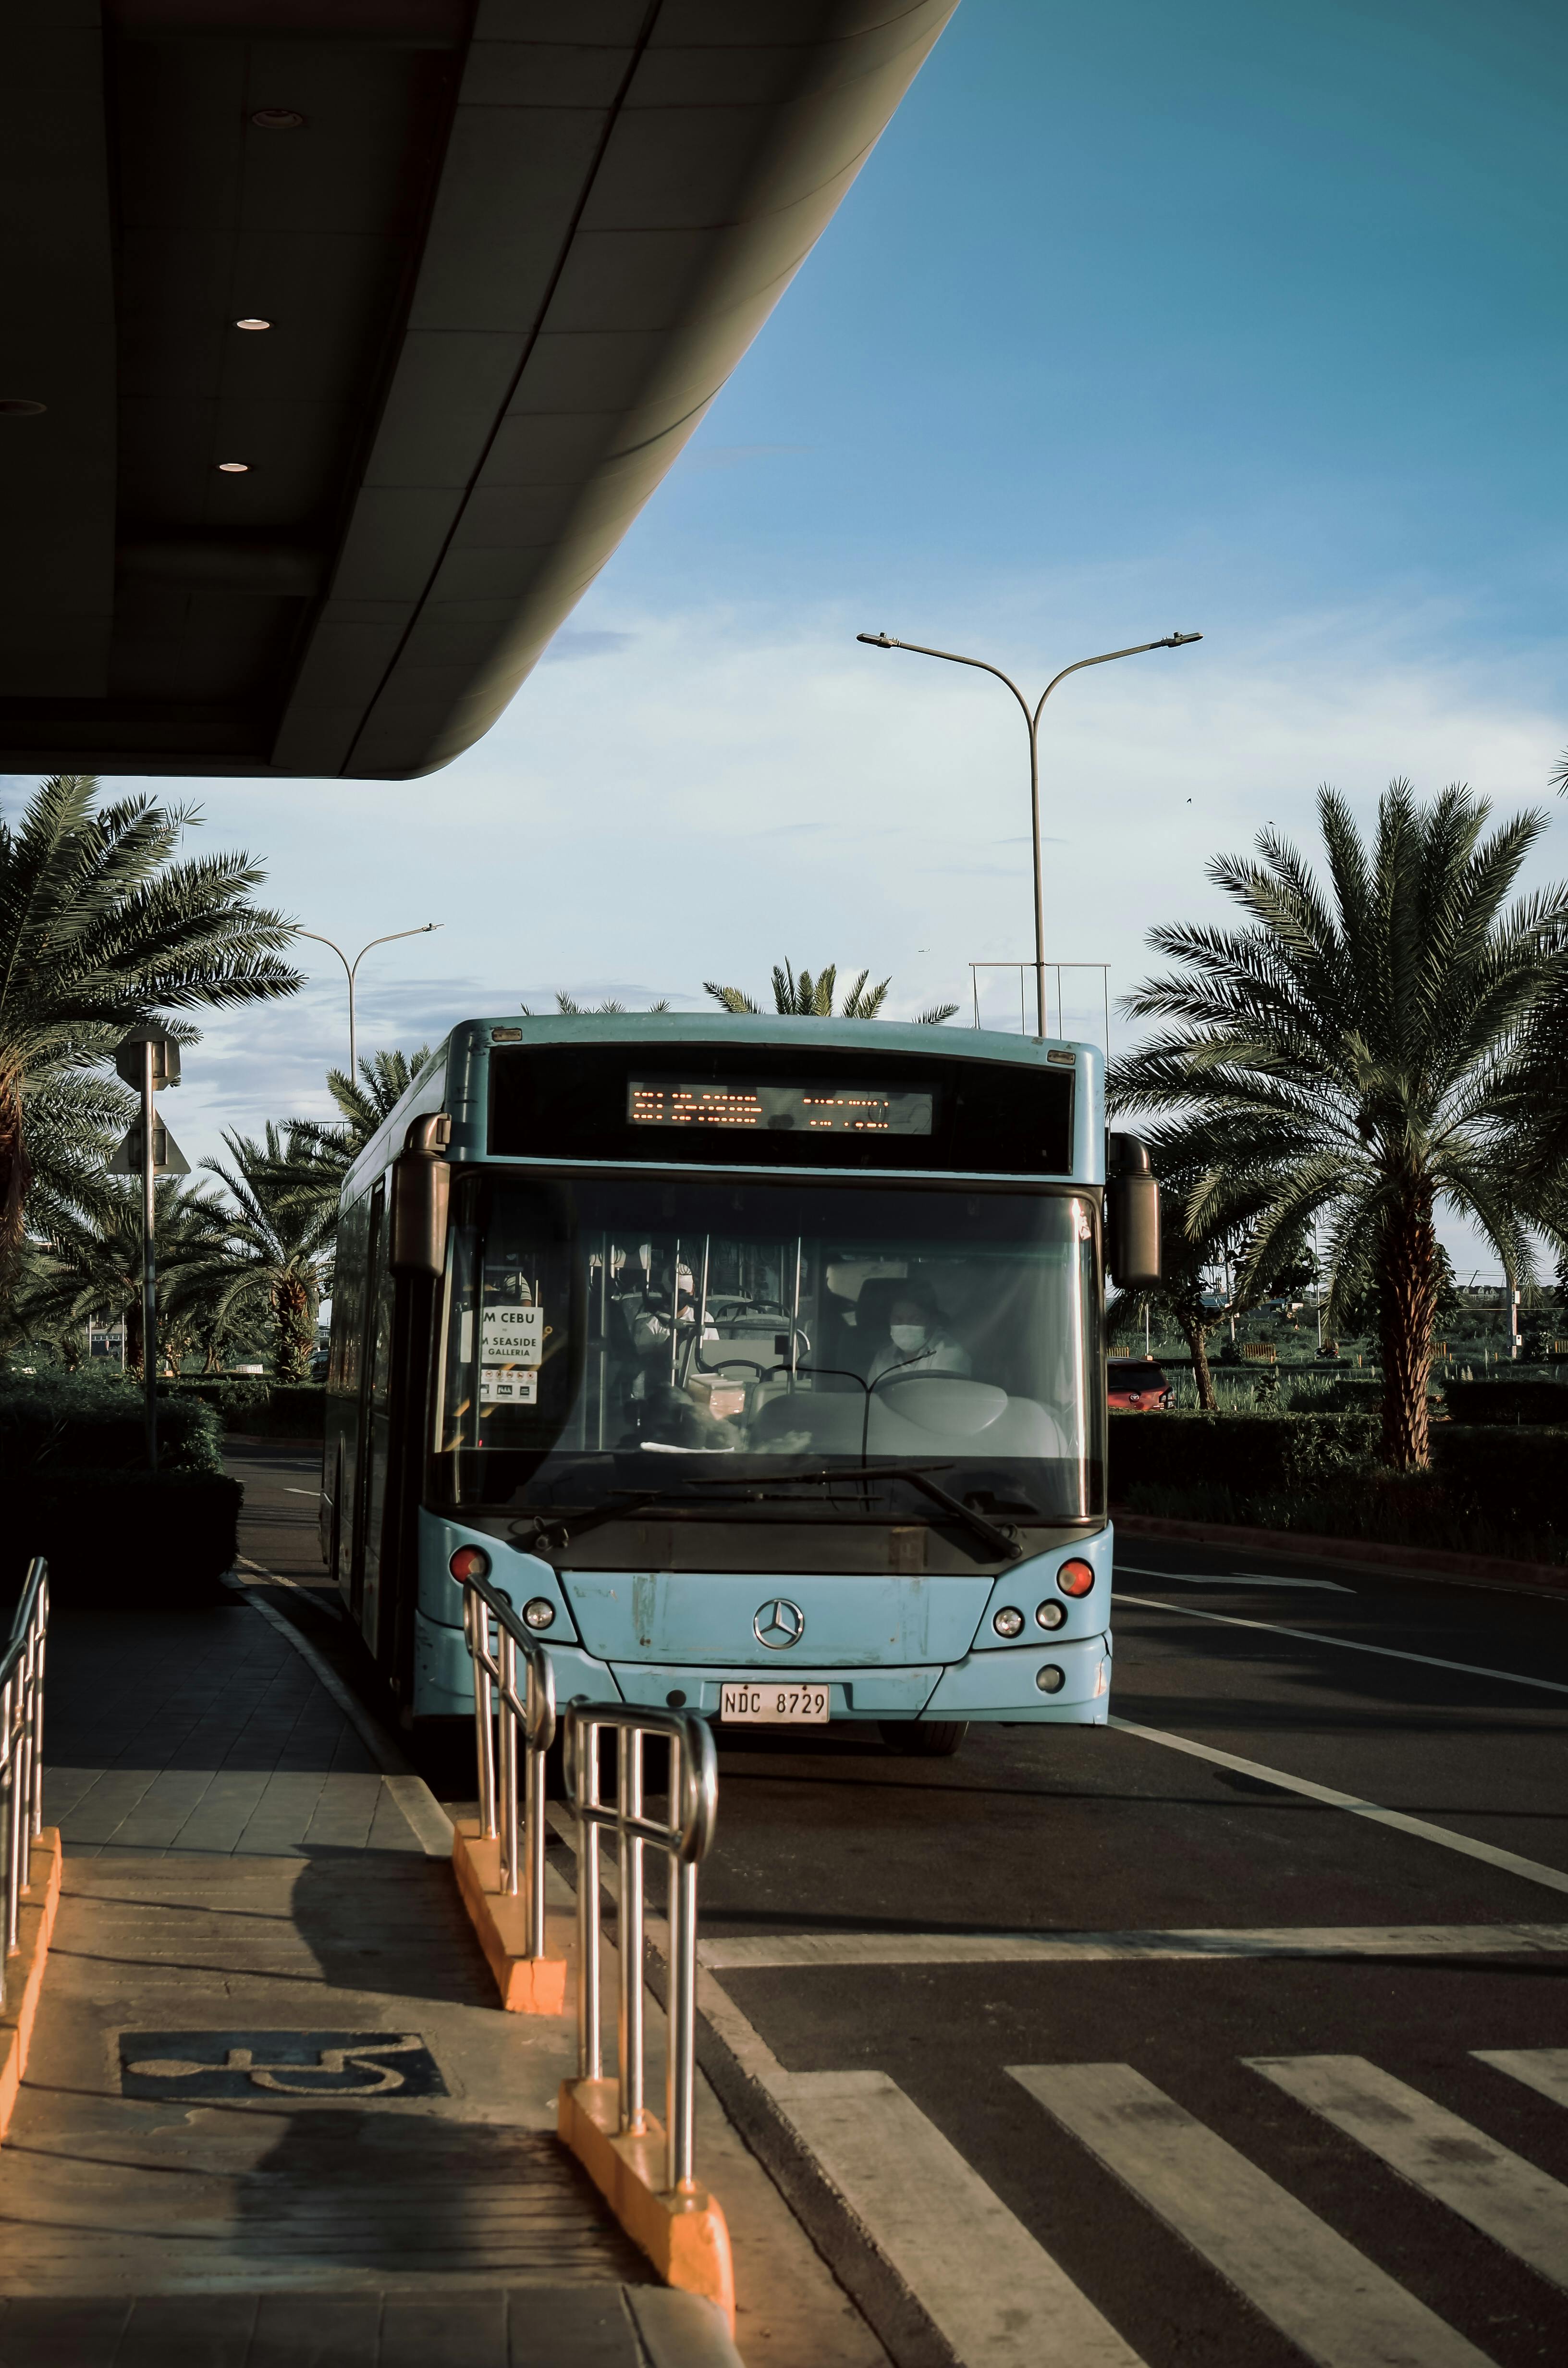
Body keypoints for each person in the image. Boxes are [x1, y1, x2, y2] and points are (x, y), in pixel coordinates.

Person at [865, 1286, 972, 1385]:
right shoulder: (883, 1357)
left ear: (933, 1321)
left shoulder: (950, 1355)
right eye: (898, 1319)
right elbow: (872, 1400)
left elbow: (940, 1402)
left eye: (916, 1319)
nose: (905, 1326)